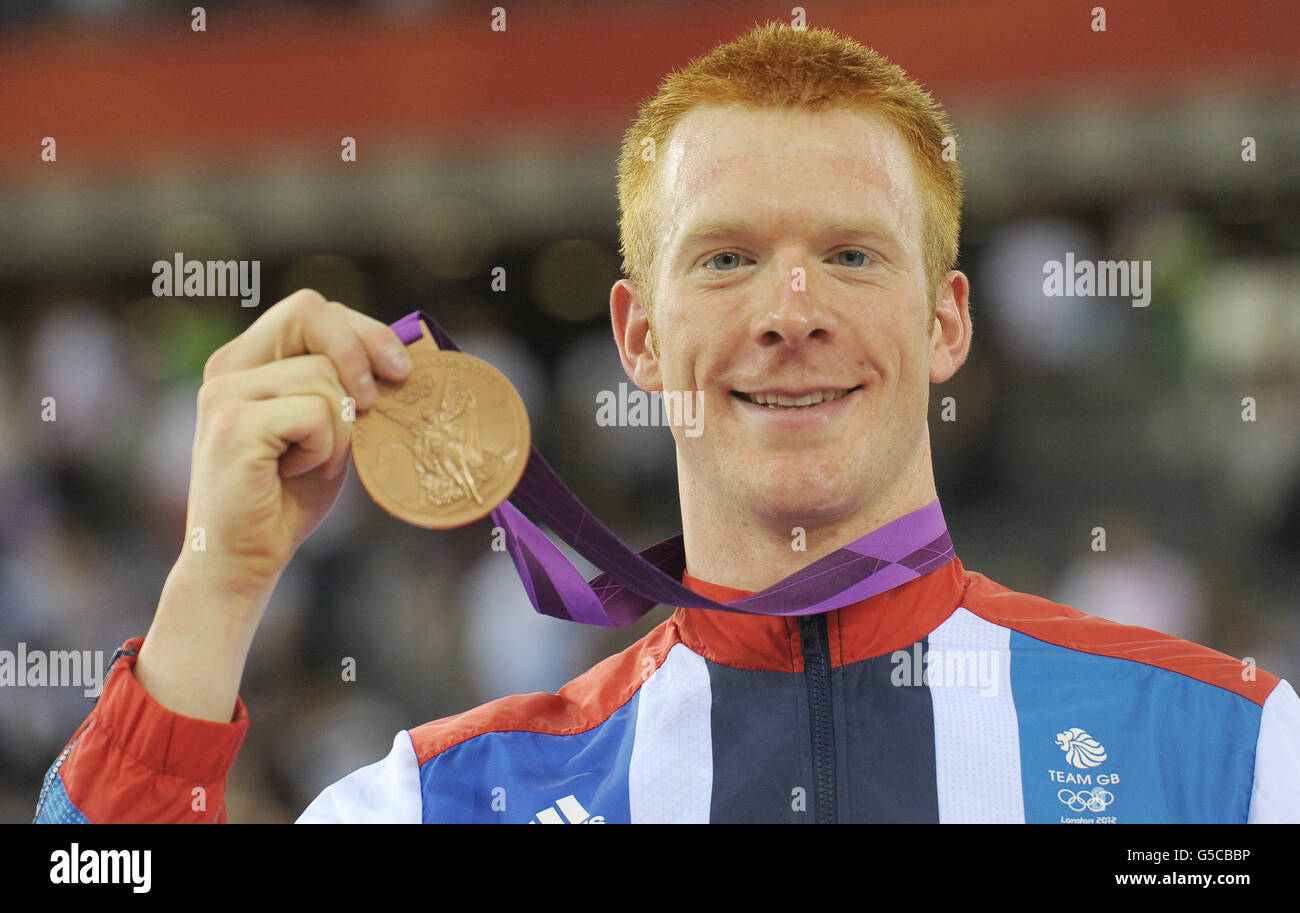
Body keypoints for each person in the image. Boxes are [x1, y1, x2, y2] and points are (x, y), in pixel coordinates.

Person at [34, 22, 1299, 824]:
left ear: (947, 323)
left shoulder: (1228, 757)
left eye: (852, 255)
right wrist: (217, 587)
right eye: (727, 258)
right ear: (637, 338)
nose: (790, 311)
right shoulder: (441, 803)